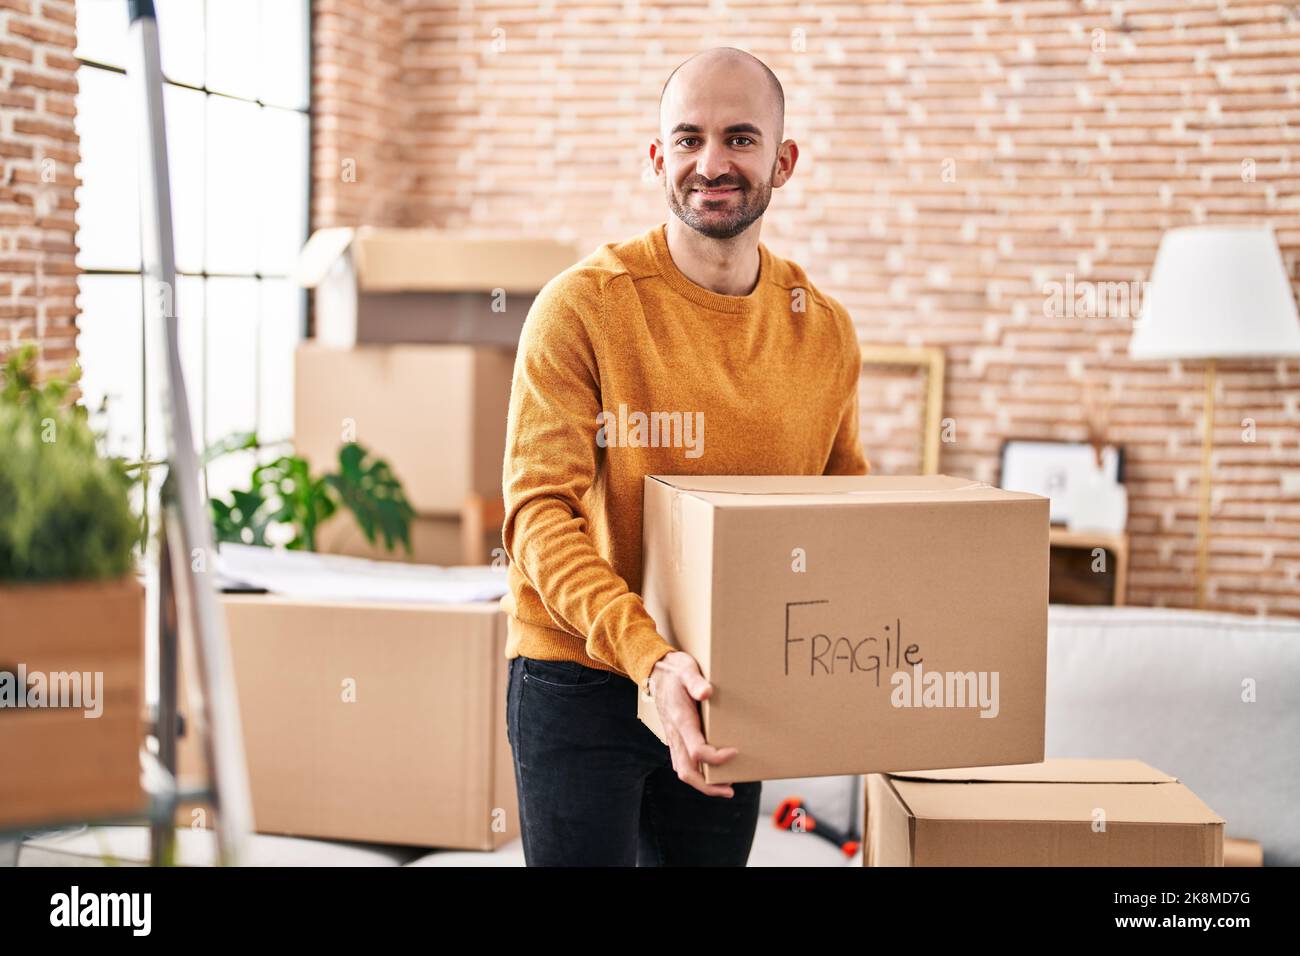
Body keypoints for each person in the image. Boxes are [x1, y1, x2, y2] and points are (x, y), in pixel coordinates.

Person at [500, 46, 870, 866]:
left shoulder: (824, 330)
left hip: (730, 688)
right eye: (690, 138)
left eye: (740, 139)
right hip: (582, 673)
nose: (714, 163)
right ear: (657, 157)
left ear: (784, 160)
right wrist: (650, 658)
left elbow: (844, 508)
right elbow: (536, 517)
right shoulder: (582, 308)